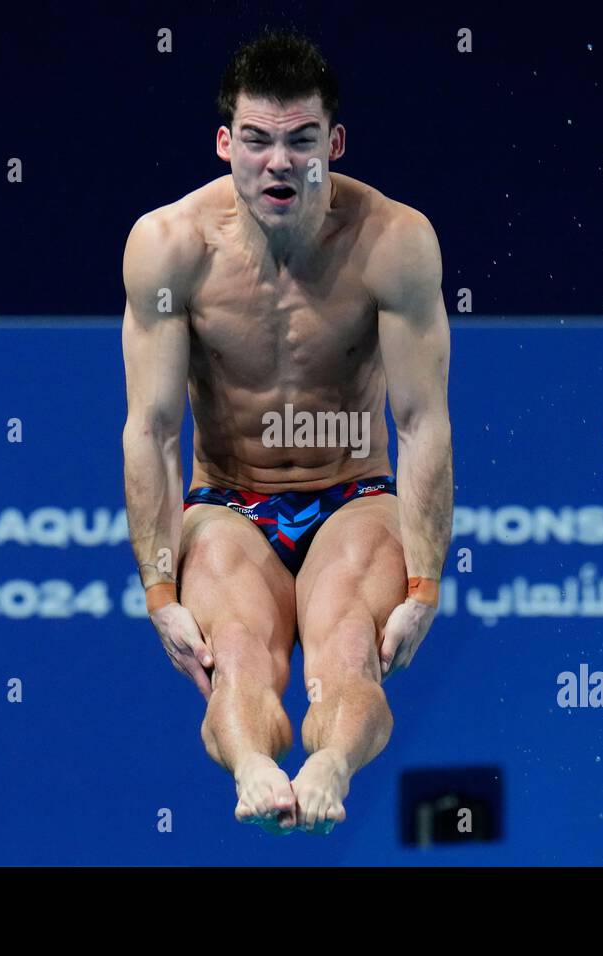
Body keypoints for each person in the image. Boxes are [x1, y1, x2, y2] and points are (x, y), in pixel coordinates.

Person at [121, 28, 453, 835]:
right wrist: (158, 589)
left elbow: (421, 421)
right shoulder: (170, 248)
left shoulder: (393, 243)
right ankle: (256, 767)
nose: (280, 163)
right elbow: (155, 430)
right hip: (230, 501)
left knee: (347, 656)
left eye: (302, 141)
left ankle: (329, 767)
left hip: (354, 497)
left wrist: (424, 586)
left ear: (333, 143)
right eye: (259, 141)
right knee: (236, 655)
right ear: (225, 143)